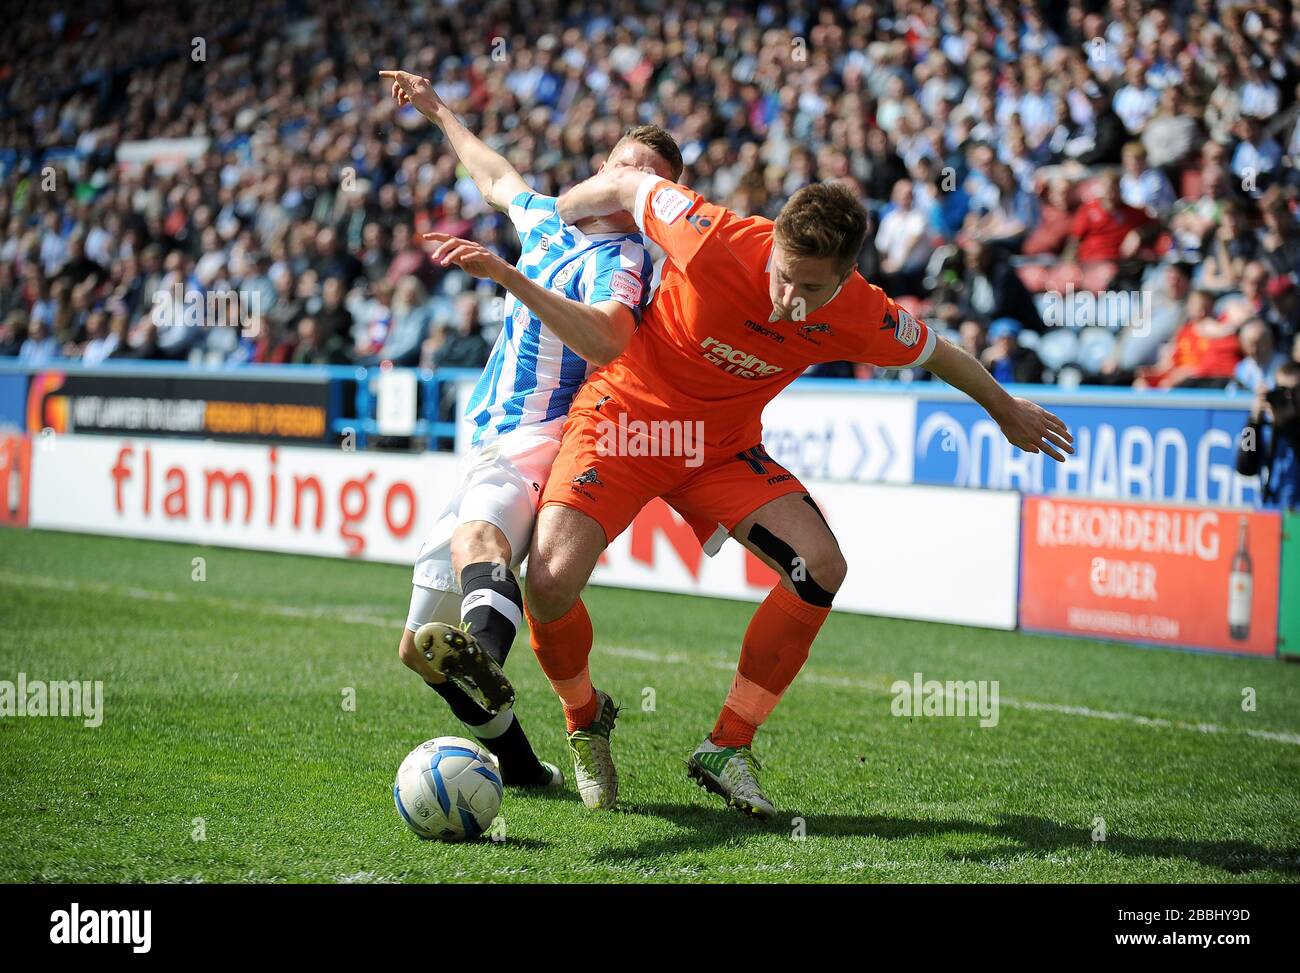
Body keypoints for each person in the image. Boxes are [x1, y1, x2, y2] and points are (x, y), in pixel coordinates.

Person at [511, 174, 1071, 817]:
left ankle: (727, 746)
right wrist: (551, 214)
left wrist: (1004, 410)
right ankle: (585, 720)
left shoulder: (862, 311)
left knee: (821, 568)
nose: (788, 298)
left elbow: (941, 355)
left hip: (718, 451)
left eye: (811, 288)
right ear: (772, 241)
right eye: (783, 275)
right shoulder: (711, 236)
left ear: (846, 277)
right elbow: (635, 184)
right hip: (624, 424)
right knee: (550, 582)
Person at [379, 69, 680, 793]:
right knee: (418, 651)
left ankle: (486, 654)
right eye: (626, 165)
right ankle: (519, 764)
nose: (632, 181)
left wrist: (509, 279)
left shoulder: (627, 260)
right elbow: (494, 176)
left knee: (479, 542)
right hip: (487, 436)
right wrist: (440, 109)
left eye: (652, 181)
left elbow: (609, 338)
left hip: (542, 435)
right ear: (603, 170)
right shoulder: (549, 219)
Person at [1237, 361, 1300, 511]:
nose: (1287, 398)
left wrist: (1288, 423)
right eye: (1281, 390)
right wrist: (1253, 422)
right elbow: (1245, 467)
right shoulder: (1266, 426)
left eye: (1294, 392)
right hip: (1267, 514)